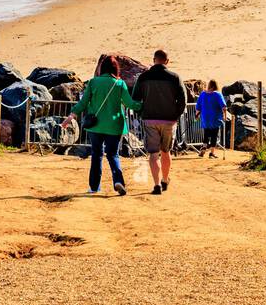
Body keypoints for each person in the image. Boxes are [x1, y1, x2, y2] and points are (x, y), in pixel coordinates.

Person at [67, 56, 140, 196]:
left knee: (96, 155)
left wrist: (72, 115)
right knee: (113, 155)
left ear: (102, 68)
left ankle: (94, 187)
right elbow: (130, 104)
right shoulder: (120, 84)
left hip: (95, 126)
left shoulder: (94, 82)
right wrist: (142, 105)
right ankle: (118, 181)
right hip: (114, 126)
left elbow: (83, 103)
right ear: (115, 69)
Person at [131, 49, 187, 195]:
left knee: (153, 154)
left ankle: (156, 185)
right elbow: (183, 100)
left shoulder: (143, 77)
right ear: (167, 61)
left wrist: (141, 113)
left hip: (150, 120)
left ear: (154, 59)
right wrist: (176, 115)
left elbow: (135, 99)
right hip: (169, 120)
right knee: (166, 151)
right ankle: (165, 179)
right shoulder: (175, 77)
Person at [195, 80, 227, 157]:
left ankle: (204, 146)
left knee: (206, 134)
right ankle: (212, 153)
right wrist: (224, 116)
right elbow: (224, 106)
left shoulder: (202, 94)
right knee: (214, 135)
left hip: (205, 118)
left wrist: (196, 115)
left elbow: (198, 106)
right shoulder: (217, 94)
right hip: (215, 117)